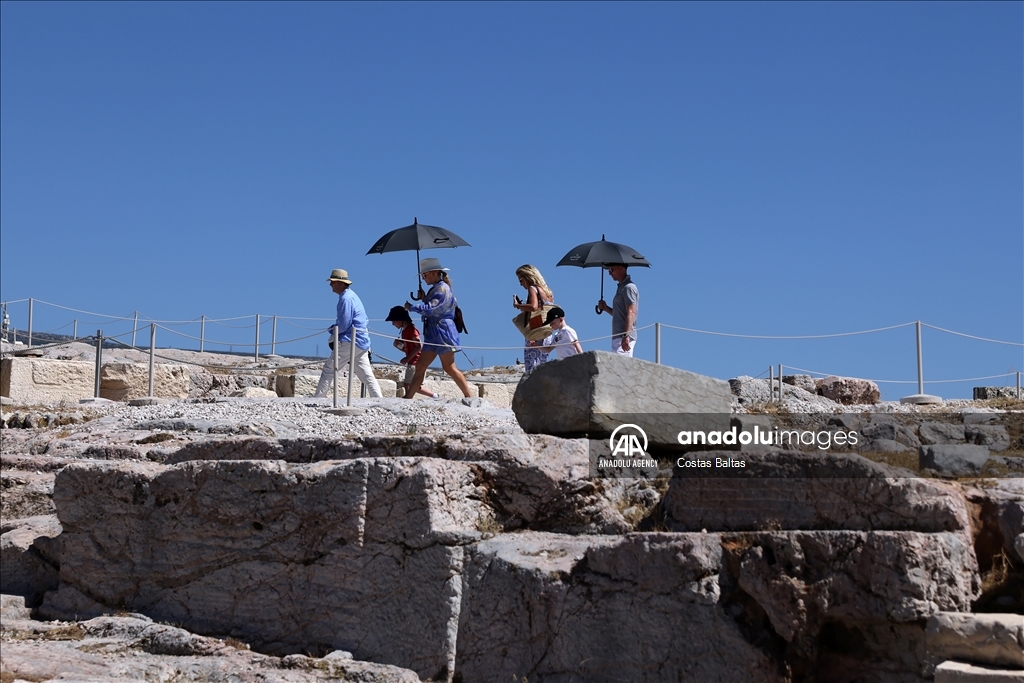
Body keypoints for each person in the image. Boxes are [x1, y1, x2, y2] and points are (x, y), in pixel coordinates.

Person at [403, 258, 474, 399]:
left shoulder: (441, 289)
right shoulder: (438, 289)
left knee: (449, 367)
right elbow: (434, 307)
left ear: (434, 273)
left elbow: (432, 309)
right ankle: (408, 396)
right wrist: (424, 298)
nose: (423, 278)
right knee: (421, 366)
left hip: (442, 333)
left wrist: (411, 307)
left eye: (425, 275)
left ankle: (469, 396)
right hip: (434, 333)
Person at [314, 269, 383, 398]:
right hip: (361, 341)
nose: (330, 285)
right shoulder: (352, 295)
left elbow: (344, 323)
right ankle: (379, 400)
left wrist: (332, 330)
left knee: (329, 370)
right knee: (367, 375)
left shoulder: (345, 299)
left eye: (332, 282)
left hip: (349, 341)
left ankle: (318, 398)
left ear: (340, 283)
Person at [385, 305, 436, 399]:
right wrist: (399, 346)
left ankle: (409, 398)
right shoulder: (405, 331)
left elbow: (419, 345)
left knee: (409, 384)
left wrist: (407, 358)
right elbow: (409, 349)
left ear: (400, 319)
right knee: (415, 386)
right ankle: (434, 396)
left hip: (415, 361)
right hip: (412, 361)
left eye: (394, 321)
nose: (393, 324)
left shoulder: (411, 330)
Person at [513, 264, 554, 375]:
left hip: (535, 330)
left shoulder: (533, 288)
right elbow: (541, 309)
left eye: (521, 280)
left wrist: (518, 305)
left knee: (531, 370)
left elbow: (534, 307)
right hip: (547, 331)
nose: (520, 284)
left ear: (528, 277)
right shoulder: (547, 292)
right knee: (541, 367)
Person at [596, 263, 639, 357]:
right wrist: (605, 308)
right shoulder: (621, 287)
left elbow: (631, 312)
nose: (610, 273)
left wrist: (626, 335)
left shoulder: (629, 287)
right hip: (618, 336)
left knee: (622, 368)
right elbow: (620, 313)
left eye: (611, 270)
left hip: (624, 337)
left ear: (621, 268)